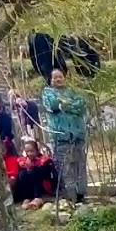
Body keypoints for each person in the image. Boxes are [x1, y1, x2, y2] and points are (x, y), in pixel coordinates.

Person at [41, 67, 89, 202]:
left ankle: (81, 195)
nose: (58, 79)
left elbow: (81, 106)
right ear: (50, 80)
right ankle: (70, 197)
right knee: (65, 168)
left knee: (80, 165)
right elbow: (53, 105)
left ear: (65, 78)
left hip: (77, 135)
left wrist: (64, 105)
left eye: (60, 76)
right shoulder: (48, 92)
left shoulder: (73, 91)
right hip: (61, 136)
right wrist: (67, 105)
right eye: (55, 77)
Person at [15, 138, 56, 207]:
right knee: (22, 174)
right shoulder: (25, 160)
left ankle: (38, 197)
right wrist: (24, 165)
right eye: (27, 151)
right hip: (31, 187)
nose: (29, 153)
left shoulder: (44, 160)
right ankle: (26, 198)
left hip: (43, 186)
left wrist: (33, 166)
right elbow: (19, 161)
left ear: (37, 151)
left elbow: (46, 174)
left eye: (31, 151)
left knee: (32, 172)